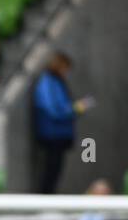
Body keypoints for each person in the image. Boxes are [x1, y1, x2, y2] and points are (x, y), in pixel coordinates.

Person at [32, 51, 90, 195]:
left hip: (59, 134)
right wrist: (74, 109)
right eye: (65, 68)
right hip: (52, 133)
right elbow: (53, 109)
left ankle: (49, 198)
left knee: (55, 171)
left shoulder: (57, 82)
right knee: (50, 171)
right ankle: (45, 200)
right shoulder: (47, 83)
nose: (66, 72)